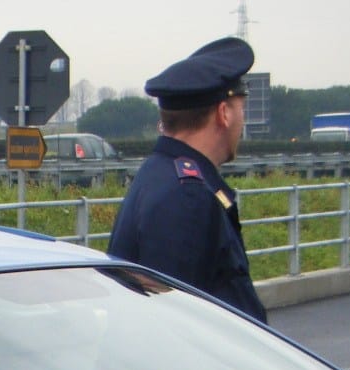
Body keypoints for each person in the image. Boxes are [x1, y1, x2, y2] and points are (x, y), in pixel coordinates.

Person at [107, 36, 268, 323]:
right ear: (224, 113)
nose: (243, 120)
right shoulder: (187, 196)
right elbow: (176, 324)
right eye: (241, 108)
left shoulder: (162, 173)